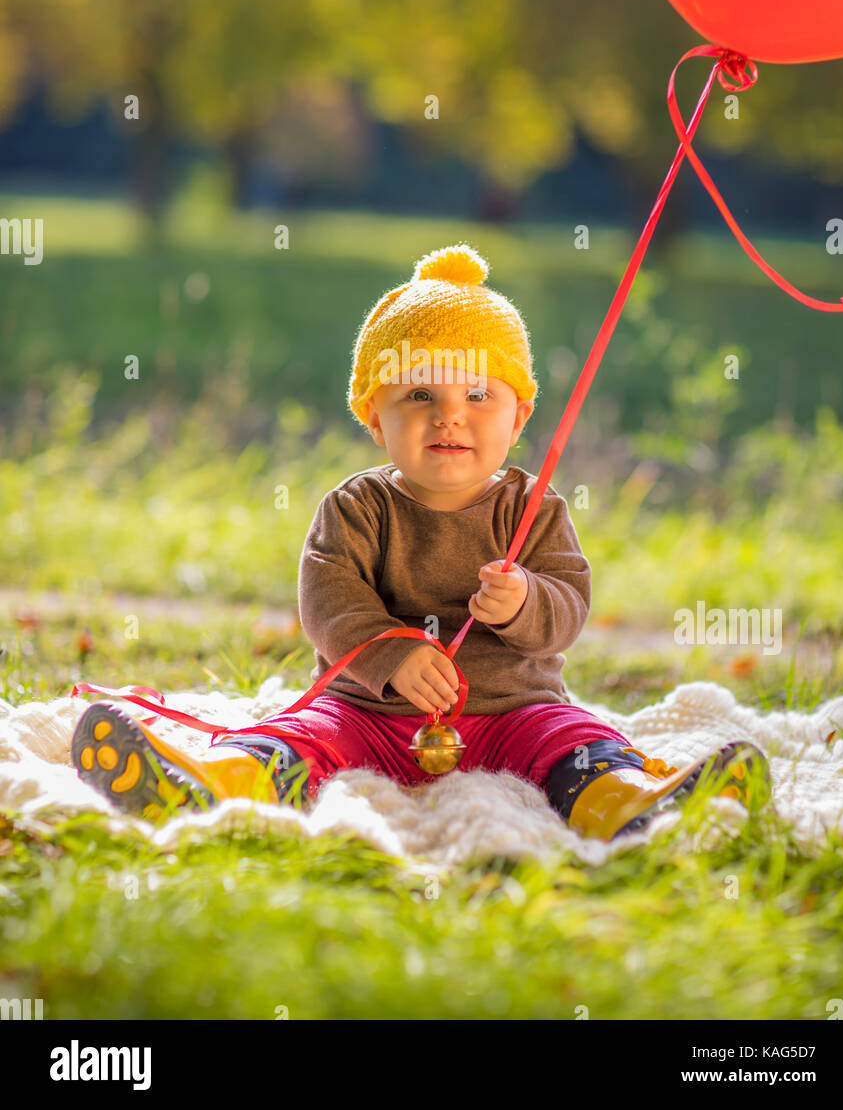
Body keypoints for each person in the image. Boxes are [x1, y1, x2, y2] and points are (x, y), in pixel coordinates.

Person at [73, 243, 769, 840]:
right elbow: (329, 602)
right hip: (368, 712)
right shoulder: (357, 506)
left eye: (477, 396)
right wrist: (394, 653)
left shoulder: (532, 509)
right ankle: (218, 781)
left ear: (519, 413)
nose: (449, 417)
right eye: (418, 397)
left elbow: (568, 606)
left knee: (576, 740)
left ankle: (630, 805)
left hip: (511, 711)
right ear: (375, 417)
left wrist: (526, 599)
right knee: (302, 736)